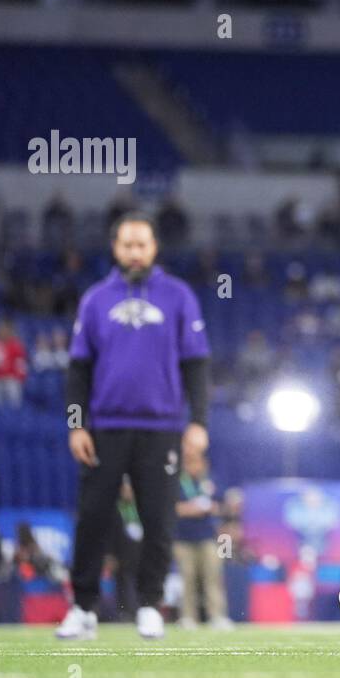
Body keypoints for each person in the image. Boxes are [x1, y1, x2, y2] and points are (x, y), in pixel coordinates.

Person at [56, 213, 210, 641]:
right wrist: (76, 425)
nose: (135, 252)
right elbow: (78, 370)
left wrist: (197, 422)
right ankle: (83, 608)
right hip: (104, 426)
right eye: (127, 245)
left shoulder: (178, 296)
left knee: (159, 520)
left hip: (162, 428)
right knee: (92, 519)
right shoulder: (94, 299)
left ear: (155, 248)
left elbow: (197, 366)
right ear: (115, 248)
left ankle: (149, 606)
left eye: (142, 244)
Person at [173, 448, 231, 630]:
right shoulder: (176, 483)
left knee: (213, 577)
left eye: (197, 462)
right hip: (182, 538)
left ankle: (217, 616)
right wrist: (191, 508)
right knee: (186, 578)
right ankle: (188, 617)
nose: (194, 466)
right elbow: (171, 508)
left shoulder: (211, 481)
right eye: (189, 462)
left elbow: (224, 507)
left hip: (209, 537)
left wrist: (213, 507)